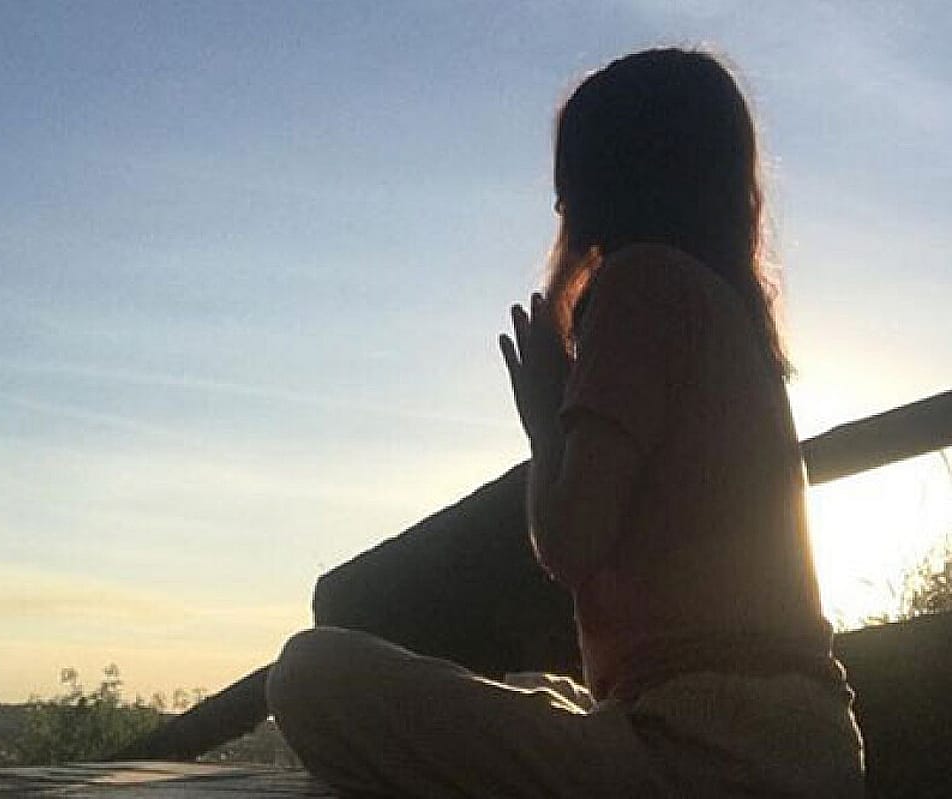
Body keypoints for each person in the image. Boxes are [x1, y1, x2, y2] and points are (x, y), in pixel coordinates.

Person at [266, 47, 865, 798]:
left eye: (565, 188)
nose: (560, 211)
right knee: (530, 687)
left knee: (309, 672)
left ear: (604, 179)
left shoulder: (641, 282)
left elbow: (571, 541)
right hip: (801, 746)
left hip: (701, 756)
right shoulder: (728, 317)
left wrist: (545, 421)